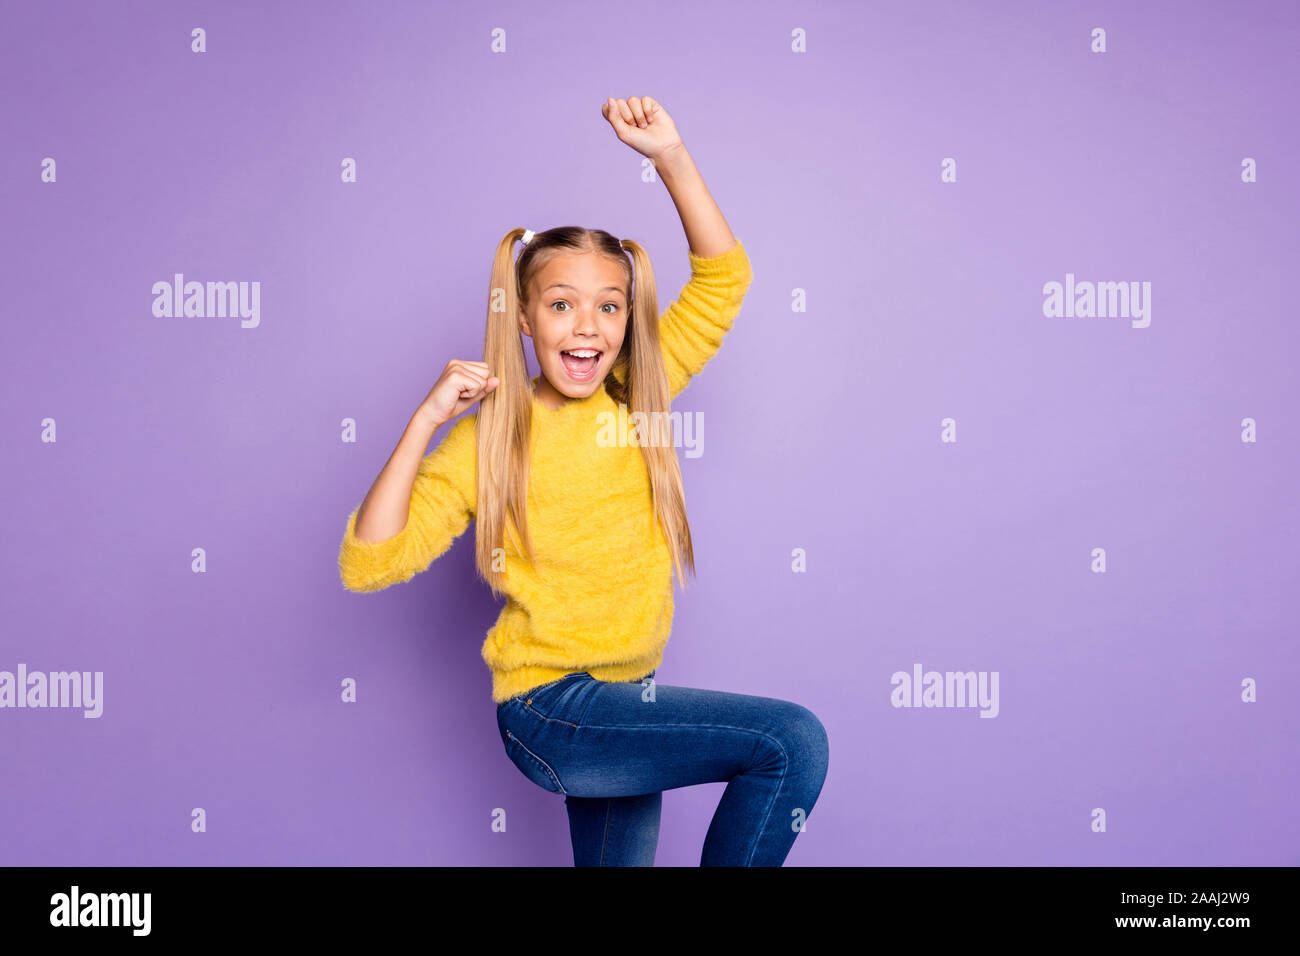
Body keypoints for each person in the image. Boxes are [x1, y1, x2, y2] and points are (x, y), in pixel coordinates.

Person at [338, 96, 828, 866]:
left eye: (609, 307)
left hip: (630, 695)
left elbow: (722, 281)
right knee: (789, 740)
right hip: (555, 712)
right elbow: (371, 560)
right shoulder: (492, 438)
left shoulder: (638, 395)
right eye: (562, 306)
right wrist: (425, 421)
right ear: (525, 319)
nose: (589, 326)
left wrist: (669, 156)